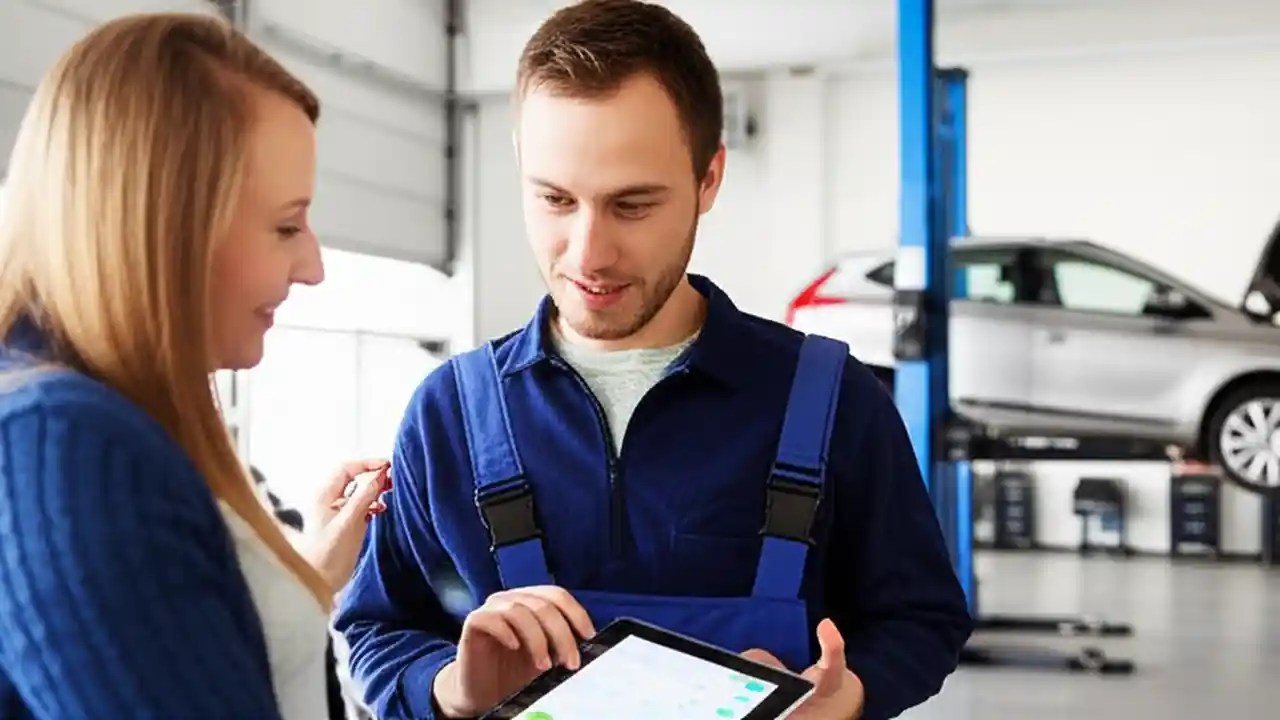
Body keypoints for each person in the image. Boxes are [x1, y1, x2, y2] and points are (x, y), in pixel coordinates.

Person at [336, 1, 974, 718]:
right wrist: (450, 686)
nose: (587, 254)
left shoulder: (832, 401)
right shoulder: (448, 415)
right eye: (554, 199)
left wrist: (846, 697)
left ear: (709, 179)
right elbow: (378, 627)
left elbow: (922, 618)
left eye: (632, 205)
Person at [0, 13, 389, 720]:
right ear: (165, 224)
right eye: (285, 225)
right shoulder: (68, 450)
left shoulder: (117, 416)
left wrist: (301, 577)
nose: (314, 266)